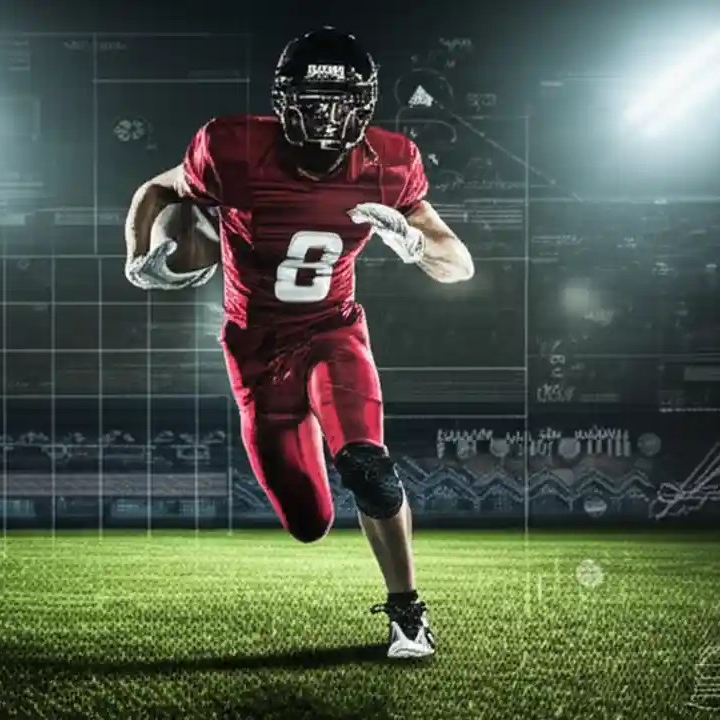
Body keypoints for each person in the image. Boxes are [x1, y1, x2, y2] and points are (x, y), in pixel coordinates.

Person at [123, 27, 474, 659]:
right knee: (309, 522)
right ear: (283, 101)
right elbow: (156, 191)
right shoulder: (231, 147)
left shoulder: (389, 163)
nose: (326, 117)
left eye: (340, 103)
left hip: (332, 331)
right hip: (255, 352)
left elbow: (461, 265)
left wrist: (419, 245)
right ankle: (308, 439)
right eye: (312, 100)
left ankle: (408, 613)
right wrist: (137, 257)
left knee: (368, 465)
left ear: (365, 105)